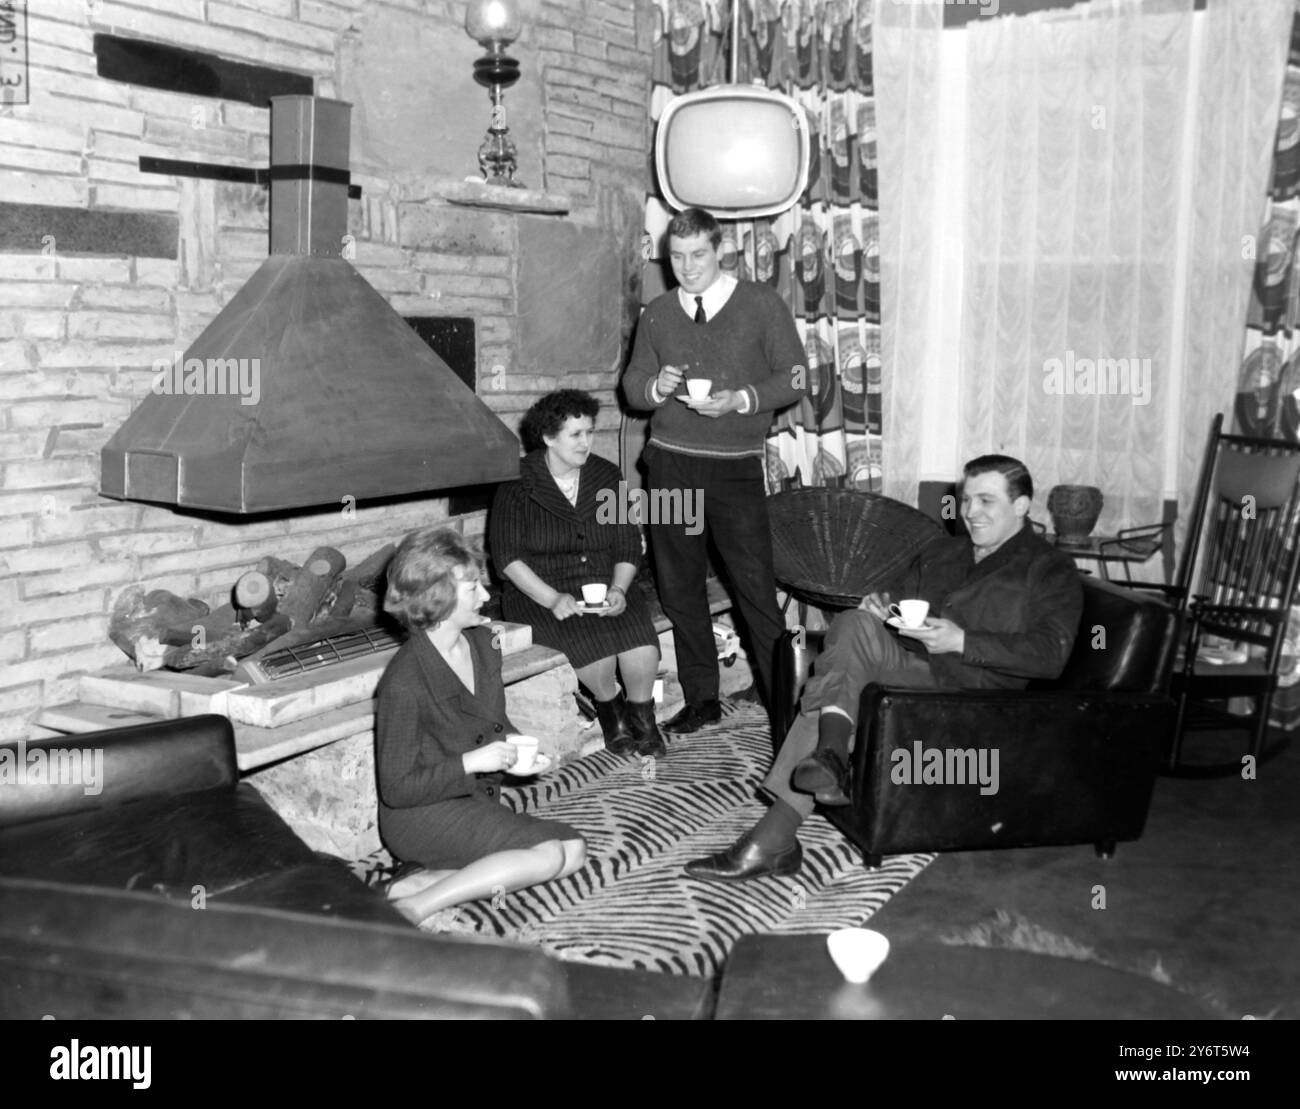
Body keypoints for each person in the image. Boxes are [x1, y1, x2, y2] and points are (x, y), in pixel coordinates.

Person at [685, 455, 1084, 881]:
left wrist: (963, 641)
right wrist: (880, 608)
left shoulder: (1049, 567)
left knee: (845, 680)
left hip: (974, 691)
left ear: (1022, 506)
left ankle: (777, 834)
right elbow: (898, 602)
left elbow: (1051, 653)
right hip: (915, 666)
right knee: (854, 622)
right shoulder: (946, 550)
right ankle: (830, 756)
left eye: (986, 501)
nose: (970, 512)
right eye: (967, 500)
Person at [623, 206, 806, 734]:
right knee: (680, 590)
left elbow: (796, 375)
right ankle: (703, 699)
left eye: (697, 254)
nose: (687, 266)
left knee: (755, 593)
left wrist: (742, 399)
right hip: (670, 464)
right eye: (676, 257)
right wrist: (657, 386)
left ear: (721, 250)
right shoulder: (657, 313)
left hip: (733, 469)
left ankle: (786, 712)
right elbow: (633, 385)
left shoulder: (760, 304)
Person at [375, 527, 586, 924]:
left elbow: (494, 722)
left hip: (473, 796)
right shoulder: (404, 681)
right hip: (421, 813)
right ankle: (414, 907)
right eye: (473, 588)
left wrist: (520, 749)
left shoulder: (483, 645)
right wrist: (474, 761)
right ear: (439, 596)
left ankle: (427, 879)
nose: (487, 596)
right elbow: (397, 789)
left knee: (573, 849)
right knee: (550, 854)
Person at [490, 390, 666, 758]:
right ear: (548, 438)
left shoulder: (605, 474)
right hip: (540, 591)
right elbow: (507, 558)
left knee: (641, 644)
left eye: (590, 432)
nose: (587, 442)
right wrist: (553, 599)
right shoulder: (517, 482)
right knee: (595, 651)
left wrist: (618, 589)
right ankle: (610, 709)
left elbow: (627, 544)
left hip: (604, 581)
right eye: (576, 434)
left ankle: (643, 718)